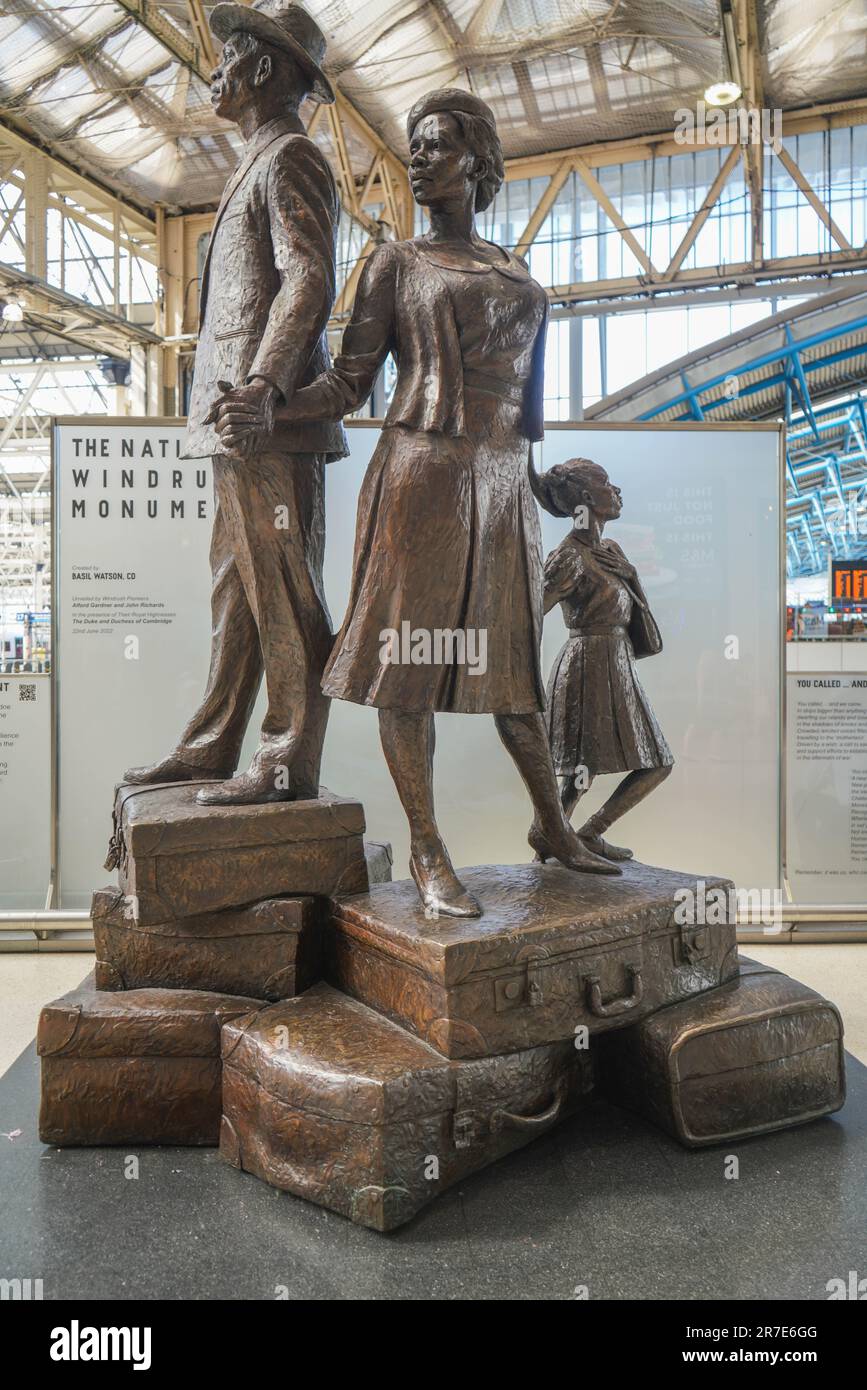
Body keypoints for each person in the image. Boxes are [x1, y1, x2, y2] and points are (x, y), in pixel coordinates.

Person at [213, 87, 617, 915]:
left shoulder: (518, 272)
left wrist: (542, 483)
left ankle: (553, 827)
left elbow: (527, 405)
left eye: (436, 144)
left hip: (501, 486)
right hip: (417, 481)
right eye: (415, 146)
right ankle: (429, 850)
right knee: (405, 670)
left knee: (511, 671)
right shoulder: (393, 263)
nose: (419, 158)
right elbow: (348, 384)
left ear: (478, 159)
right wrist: (269, 406)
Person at [125, 2, 346, 805]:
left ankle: (285, 760)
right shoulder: (257, 160)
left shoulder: (290, 156)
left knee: (282, 593)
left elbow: (310, 280)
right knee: (239, 591)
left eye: (227, 58)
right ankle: (214, 742)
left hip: (265, 425)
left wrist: (262, 388)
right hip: (239, 425)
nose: (214, 72)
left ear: (263, 69)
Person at [532, 458, 673, 861]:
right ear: (590, 498)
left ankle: (578, 834)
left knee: (639, 764)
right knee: (583, 767)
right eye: (608, 484)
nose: (618, 490)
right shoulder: (569, 556)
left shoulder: (610, 550)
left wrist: (631, 576)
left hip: (617, 661)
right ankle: (555, 835)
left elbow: (636, 620)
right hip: (586, 664)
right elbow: (531, 613)